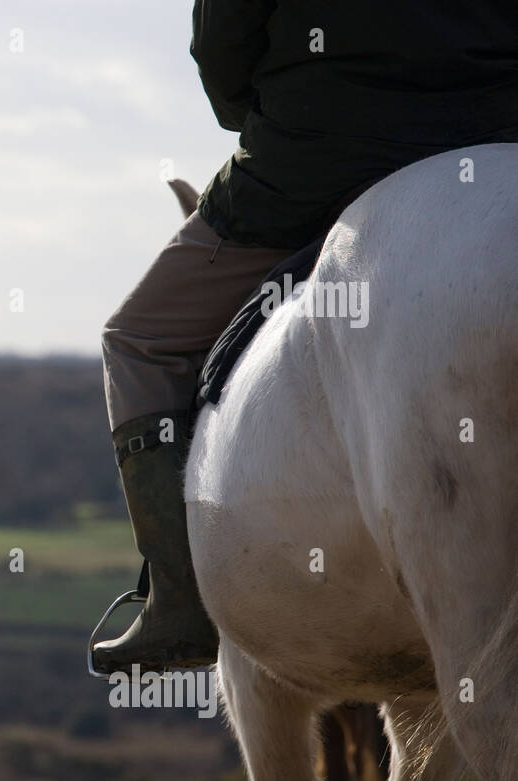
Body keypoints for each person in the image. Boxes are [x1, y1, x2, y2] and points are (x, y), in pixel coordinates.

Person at [93, 2, 518, 673]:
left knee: (137, 340)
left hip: (313, 157)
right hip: (494, 144)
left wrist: (263, 103)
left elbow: (223, 51)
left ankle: (180, 605)